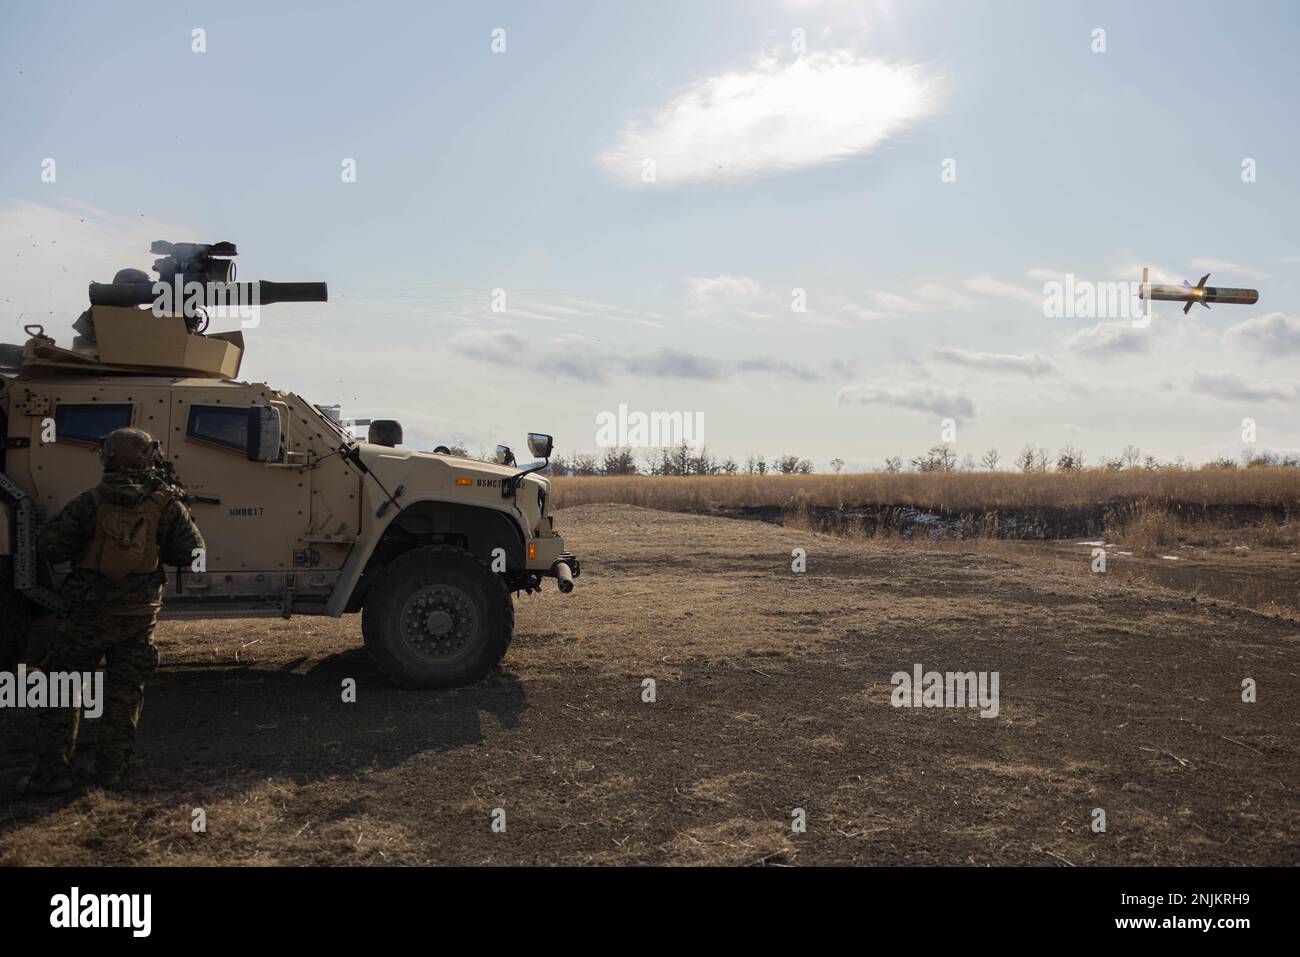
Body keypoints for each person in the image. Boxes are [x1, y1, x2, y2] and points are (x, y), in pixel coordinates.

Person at [16, 427, 204, 795]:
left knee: (61, 687)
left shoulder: (90, 502)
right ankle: (110, 771)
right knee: (124, 692)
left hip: (87, 614)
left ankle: (53, 773)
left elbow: (51, 546)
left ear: (107, 458)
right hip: (137, 615)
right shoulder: (167, 505)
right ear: (149, 458)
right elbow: (192, 553)